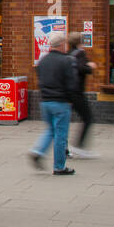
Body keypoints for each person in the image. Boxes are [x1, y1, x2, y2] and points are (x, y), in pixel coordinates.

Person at [27, 30, 79, 175]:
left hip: (45, 101)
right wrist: (71, 100)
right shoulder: (66, 61)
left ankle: (37, 151)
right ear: (62, 45)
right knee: (60, 135)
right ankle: (59, 166)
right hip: (60, 102)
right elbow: (71, 83)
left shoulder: (43, 61)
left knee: (50, 130)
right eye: (65, 44)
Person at [65, 33, 98, 159]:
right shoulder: (80, 53)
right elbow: (81, 68)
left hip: (67, 92)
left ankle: (66, 149)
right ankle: (79, 146)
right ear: (80, 42)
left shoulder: (68, 53)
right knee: (88, 118)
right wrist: (90, 66)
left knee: (64, 122)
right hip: (77, 92)